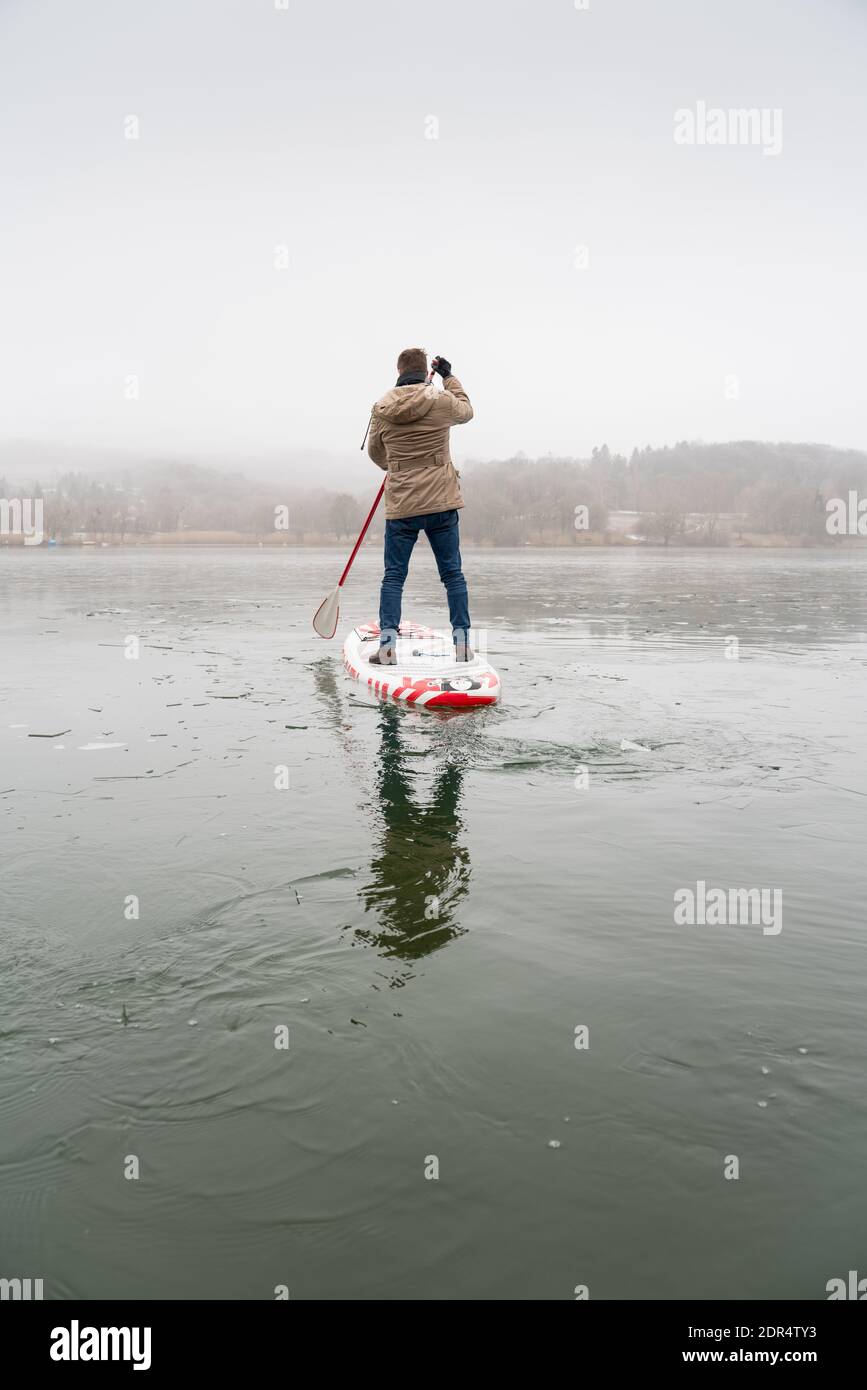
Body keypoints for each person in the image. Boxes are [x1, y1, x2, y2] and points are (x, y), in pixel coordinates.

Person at [366, 348, 473, 665]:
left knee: (393, 578)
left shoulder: (382, 409)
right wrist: (449, 377)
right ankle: (463, 647)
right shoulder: (440, 401)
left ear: (398, 370)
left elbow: (376, 455)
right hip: (441, 501)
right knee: (453, 576)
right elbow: (466, 411)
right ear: (425, 369)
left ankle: (387, 649)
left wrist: (400, 467)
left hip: (402, 506)